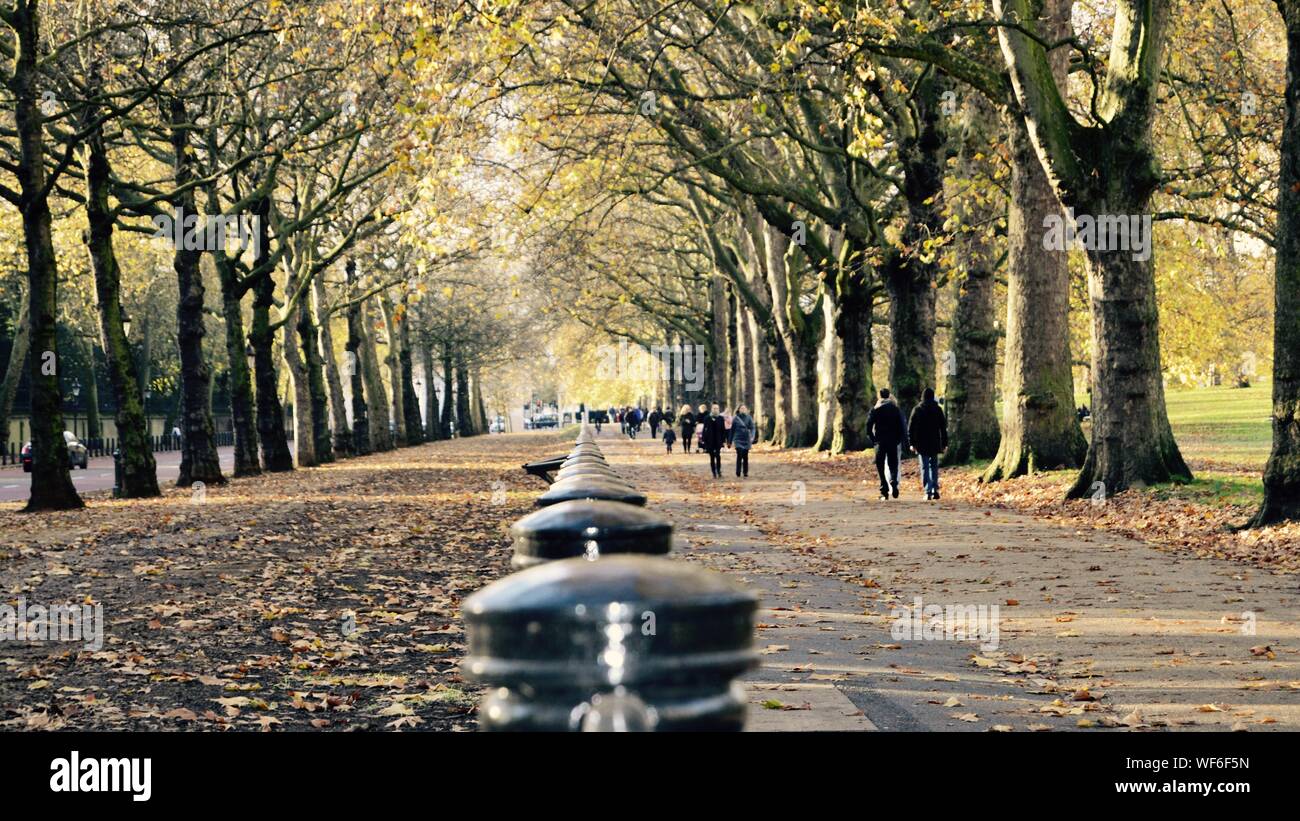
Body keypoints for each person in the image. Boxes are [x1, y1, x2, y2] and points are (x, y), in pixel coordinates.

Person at [866, 388, 908, 500]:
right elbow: (901, 425)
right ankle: (893, 480)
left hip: (880, 441)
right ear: (889, 395)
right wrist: (899, 439)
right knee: (893, 463)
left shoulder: (875, 409)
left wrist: (872, 438)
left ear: (879, 396)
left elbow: (868, 425)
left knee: (880, 465)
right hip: (893, 441)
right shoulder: (895, 409)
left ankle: (884, 488)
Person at [908, 387, 949, 500]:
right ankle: (935, 489)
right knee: (934, 466)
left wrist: (912, 443)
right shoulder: (938, 409)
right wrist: (945, 443)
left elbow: (911, 428)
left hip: (921, 443)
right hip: (935, 442)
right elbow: (943, 428)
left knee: (925, 467)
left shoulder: (917, 409)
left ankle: (927, 490)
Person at [699, 403, 728, 479]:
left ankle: (718, 470)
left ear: (718, 410)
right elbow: (704, 430)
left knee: (718, 456)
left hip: (718, 440)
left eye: (717, 408)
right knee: (712, 457)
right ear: (711, 409)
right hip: (710, 440)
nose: (715, 410)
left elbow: (723, 430)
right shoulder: (707, 418)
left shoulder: (721, 418)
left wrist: (723, 440)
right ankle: (713, 472)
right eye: (714, 408)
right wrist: (703, 440)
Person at [730, 404, 756, 478]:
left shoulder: (749, 418)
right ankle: (738, 472)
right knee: (739, 453)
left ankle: (745, 472)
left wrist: (752, 436)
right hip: (737, 438)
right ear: (738, 409)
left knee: (745, 456)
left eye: (744, 408)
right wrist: (730, 441)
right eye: (741, 408)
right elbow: (732, 430)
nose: (743, 410)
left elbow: (753, 428)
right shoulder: (735, 418)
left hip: (746, 438)